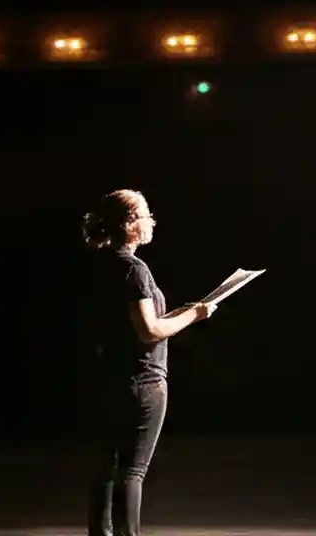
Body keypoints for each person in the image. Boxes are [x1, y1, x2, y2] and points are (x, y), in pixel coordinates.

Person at [81, 189, 216, 536]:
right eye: (144, 214)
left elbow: (136, 324)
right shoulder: (134, 269)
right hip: (142, 381)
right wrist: (196, 316)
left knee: (107, 467)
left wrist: (183, 312)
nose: (150, 220)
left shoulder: (104, 265)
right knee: (131, 471)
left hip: (110, 378)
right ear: (129, 223)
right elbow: (149, 331)